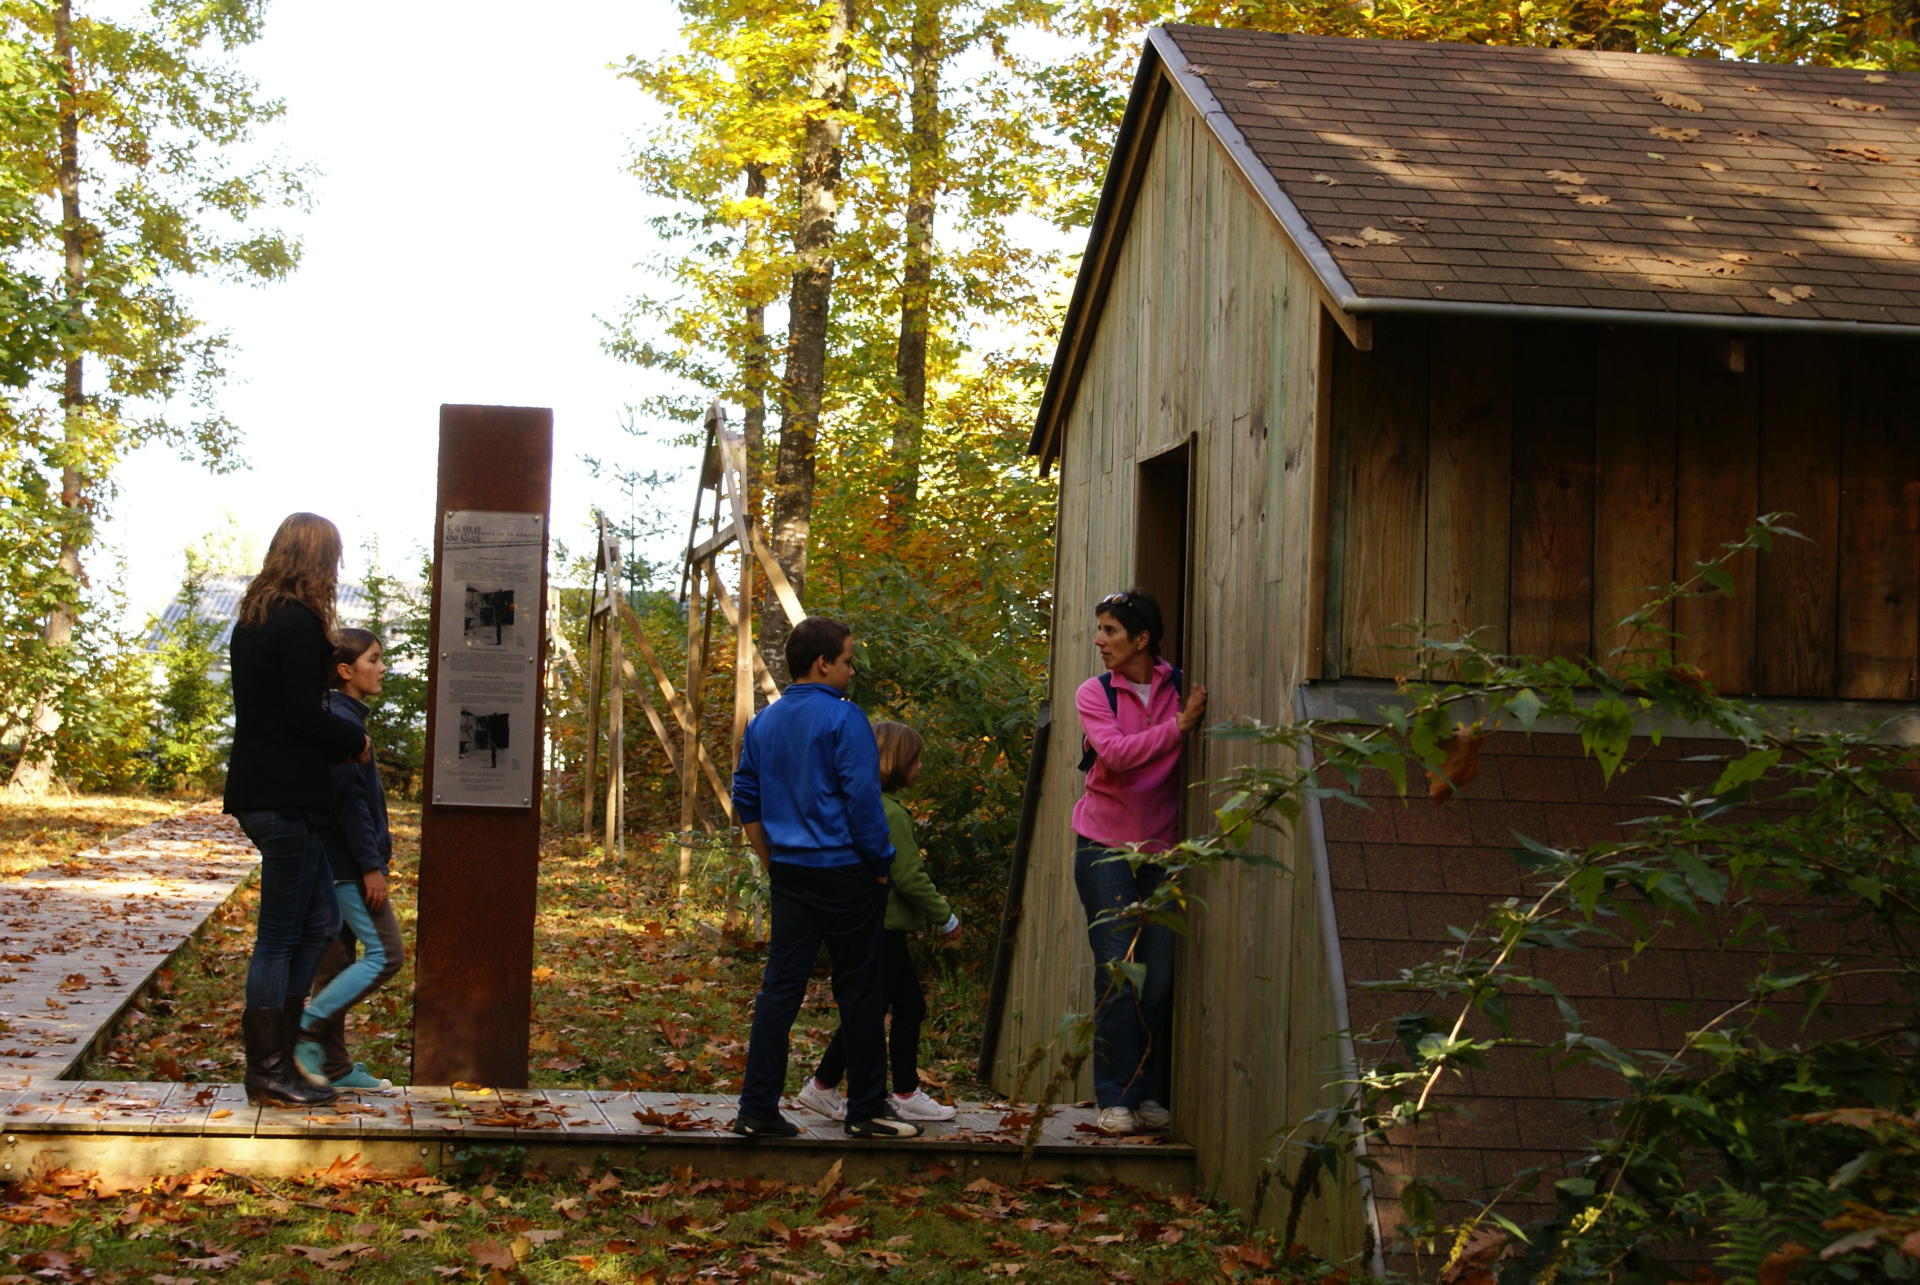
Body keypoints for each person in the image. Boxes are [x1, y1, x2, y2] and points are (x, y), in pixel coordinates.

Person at [730, 617, 921, 1139]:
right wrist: (880, 863)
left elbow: (745, 796)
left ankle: (756, 1109)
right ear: (824, 663)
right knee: (860, 989)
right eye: (848, 659)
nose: (851, 669)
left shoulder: (764, 722)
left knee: (780, 989)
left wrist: (771, 858)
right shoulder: (845, 718)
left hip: (791, 872)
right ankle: (866, 1110)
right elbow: (861, 798)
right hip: (846, 874)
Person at [224, 513, 368, 1106]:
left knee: (314, 923)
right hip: (286, 798)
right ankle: (268, 1073)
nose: (336, 570)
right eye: (332, 558)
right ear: (318, 560)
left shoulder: (252, 620)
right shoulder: (301, 623)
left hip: (264, 792)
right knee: (281, 936)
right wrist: (351, 740)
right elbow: (301, 716)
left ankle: (282, 1061)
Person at [1073, 587, 1207, 1136]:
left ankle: (1146, 1089)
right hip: (1104, 844)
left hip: (1162, 847)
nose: (1100, 641)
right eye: (1100, 629)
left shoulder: (1179, 686)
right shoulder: (1095, 692)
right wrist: (1177, 728)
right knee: (1118, 973)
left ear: (1142, 639)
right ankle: (1115, 1097)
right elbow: (1117, 755)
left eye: (1110, 631)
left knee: (1157, 979)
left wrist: (1179, 718)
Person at [796, 720, 962, 1124]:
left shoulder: (853, 804)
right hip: (882, 927)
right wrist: (945, 917)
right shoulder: (890, 814)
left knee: (873, 1008)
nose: (920, 767)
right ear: (894, 761)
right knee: (905, 1007)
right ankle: (901, 1091)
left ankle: (825, 1085)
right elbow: (908, 875)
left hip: (858, 923)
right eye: (915, 759)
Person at [294, 628, 406, 1093]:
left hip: (334, 863)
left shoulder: (339, 715)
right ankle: (304, 1027)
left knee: (338, 964)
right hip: (345, 865)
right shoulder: (343, 722)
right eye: (374, 659)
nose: (382, 668)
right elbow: (349, 802)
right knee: (387, 955)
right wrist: (369, 866)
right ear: (346, 670)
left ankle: (335, 1068)